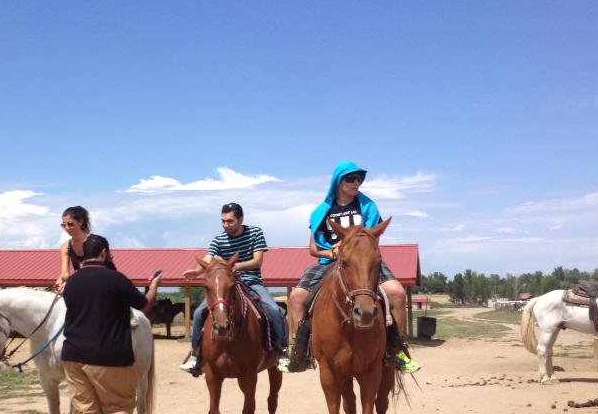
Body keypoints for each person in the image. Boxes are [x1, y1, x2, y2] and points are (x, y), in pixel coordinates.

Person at [285, 160, 420, 374]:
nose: (356, 182)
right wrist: (332, 252)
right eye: (351, 179)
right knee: (297, 297)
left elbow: (372, 237)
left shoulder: (367, 206)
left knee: (397, 293)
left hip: (362, 260)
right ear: (338, 182)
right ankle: (301, 350)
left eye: (359, 179)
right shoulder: (321, 212)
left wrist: (348, 246)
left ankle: (397, 349)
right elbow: (313, 248)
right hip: (330, 261)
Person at [61, 234, 161, 414]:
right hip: (108, 355)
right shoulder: (115, 279)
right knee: (121, 406)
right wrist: (153, 286)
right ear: (104, 253)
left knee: (86, 412)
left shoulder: (72, 282)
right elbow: (144, 305)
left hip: (73, 356)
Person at [179, 202, 289, 374]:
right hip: (225, 284)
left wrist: (236, 266)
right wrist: (196, 272)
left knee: (274, 310)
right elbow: (208, 259)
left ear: (241, 219)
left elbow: (257, 261)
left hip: (251, 281)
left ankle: (281, 352)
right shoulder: (219, 239)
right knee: (200, 312)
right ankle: (196, 356)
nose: (226, 225)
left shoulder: (255, 233)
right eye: (223, 221)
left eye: (230, 221)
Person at [54, 206, 115, 292]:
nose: (67, 228)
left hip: (107, 284)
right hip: (84, 285)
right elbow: (65, 274)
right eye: (64, 225)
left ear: (80, 222)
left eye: (70, 224)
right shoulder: (66, 247)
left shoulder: (96, 242)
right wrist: (60, 281)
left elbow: (94, 271)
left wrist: (71, 283)